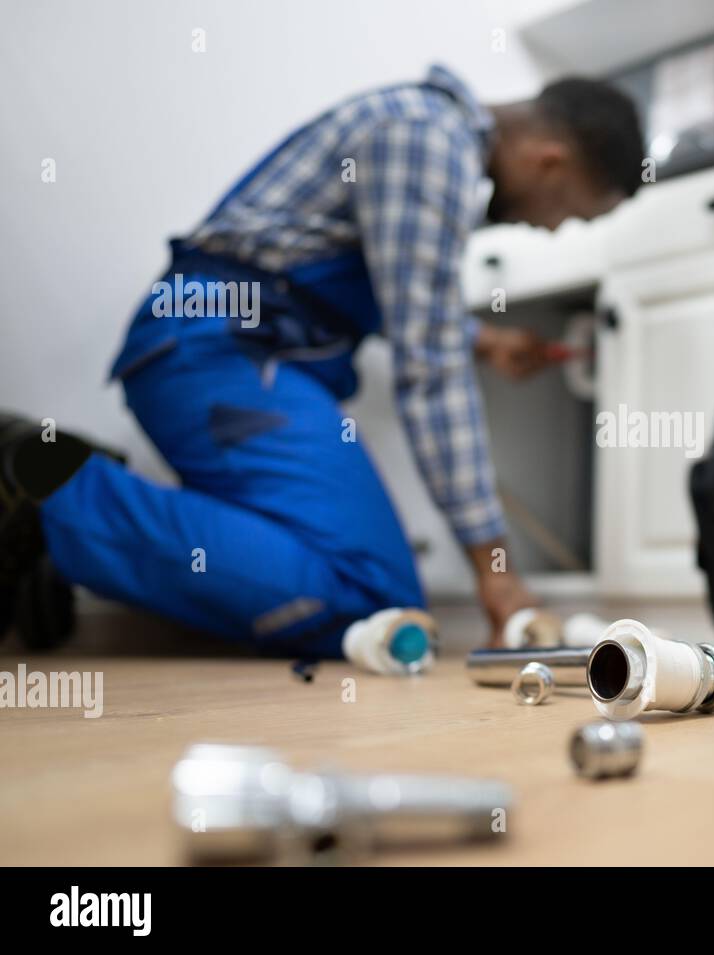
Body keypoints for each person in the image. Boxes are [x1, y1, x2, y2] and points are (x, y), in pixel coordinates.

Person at [0, 66, 644, 654]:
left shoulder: (426, 132)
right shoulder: (426, 141)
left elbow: (395, 298)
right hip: (210, 351)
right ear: (550, 162)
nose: (554, 230)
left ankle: (78, 503)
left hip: (233, 353)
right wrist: (497, 573)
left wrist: (484, 340)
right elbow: (430, 367)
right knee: (372, 600)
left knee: (378, 597)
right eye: (569, 213)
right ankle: (52, 494)